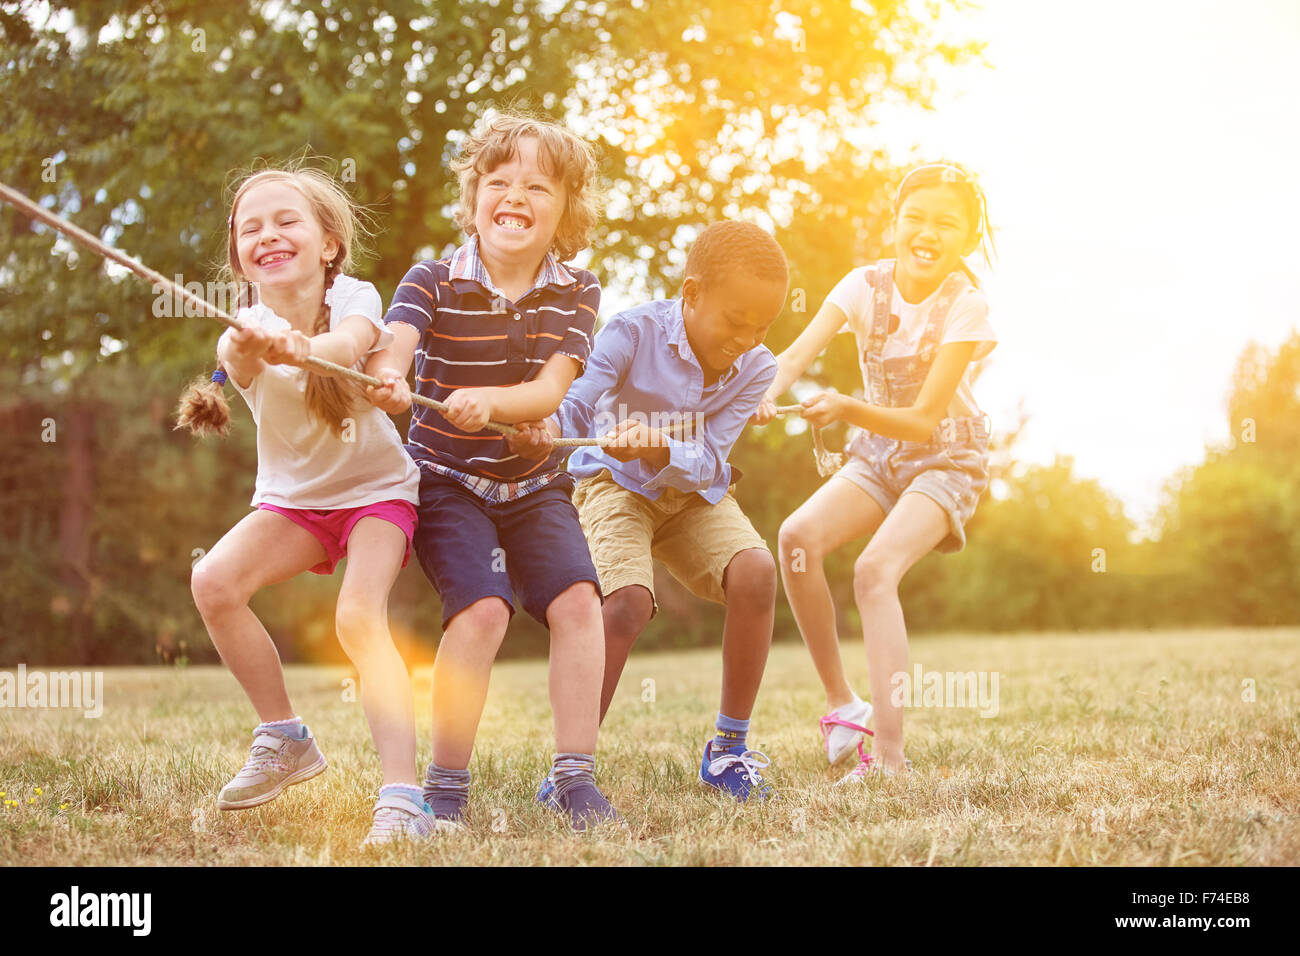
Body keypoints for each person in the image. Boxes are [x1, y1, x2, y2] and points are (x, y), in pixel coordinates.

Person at [364, 112, 618, 831]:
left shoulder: (578, 290)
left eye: (538, 186)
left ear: (567, 209)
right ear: (474, 197)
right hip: (448, 482)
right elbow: (396, 343)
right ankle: (445, 790)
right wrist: (385, 374)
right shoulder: (433, 278)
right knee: (481, 611)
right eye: (498, 181)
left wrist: (493, 402)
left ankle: (574, 778)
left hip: (535, 486)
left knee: (578, 606)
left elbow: (548, 391)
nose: (515, 196)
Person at [177, 166, 432, 844]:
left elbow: (349, 345)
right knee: (214, 582)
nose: (267, 235)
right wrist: (259, 345)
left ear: (328, 243)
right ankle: (285, 736)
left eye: (286, 220)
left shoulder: (355, 295)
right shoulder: (243, 325)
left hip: (377, 493)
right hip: (296, 505)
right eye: (250, 228)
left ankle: (405, 800)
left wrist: (306, 348)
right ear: (237, 256)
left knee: (357, 618)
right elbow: (237, 354)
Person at [510, 220, 789, 802]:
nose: (746, 337)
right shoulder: (631, 332)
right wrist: (548, 428)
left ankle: (728, 751)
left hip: (693, 496)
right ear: (691, 294)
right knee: (627, 602)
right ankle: (571, 770)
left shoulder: (757, 367)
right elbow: (580, 405)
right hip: (615, 484)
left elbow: (712, 460)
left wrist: (661, 444)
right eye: (735, 321)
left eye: (761, 326)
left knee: (757, 572)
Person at [752, 161, 997, 782]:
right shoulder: (862, 286)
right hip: (878, 457)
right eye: (915, 217)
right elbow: (794, 355)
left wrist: (844, 405)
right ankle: (844, 707)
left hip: (946, 456)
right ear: (894, 225)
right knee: (797, 539)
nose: (928, 232)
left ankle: (889, 759)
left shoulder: (967, 307)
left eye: (947, 223)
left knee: (873, 571)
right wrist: (764, 390)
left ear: (966, 239)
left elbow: (920, 420)